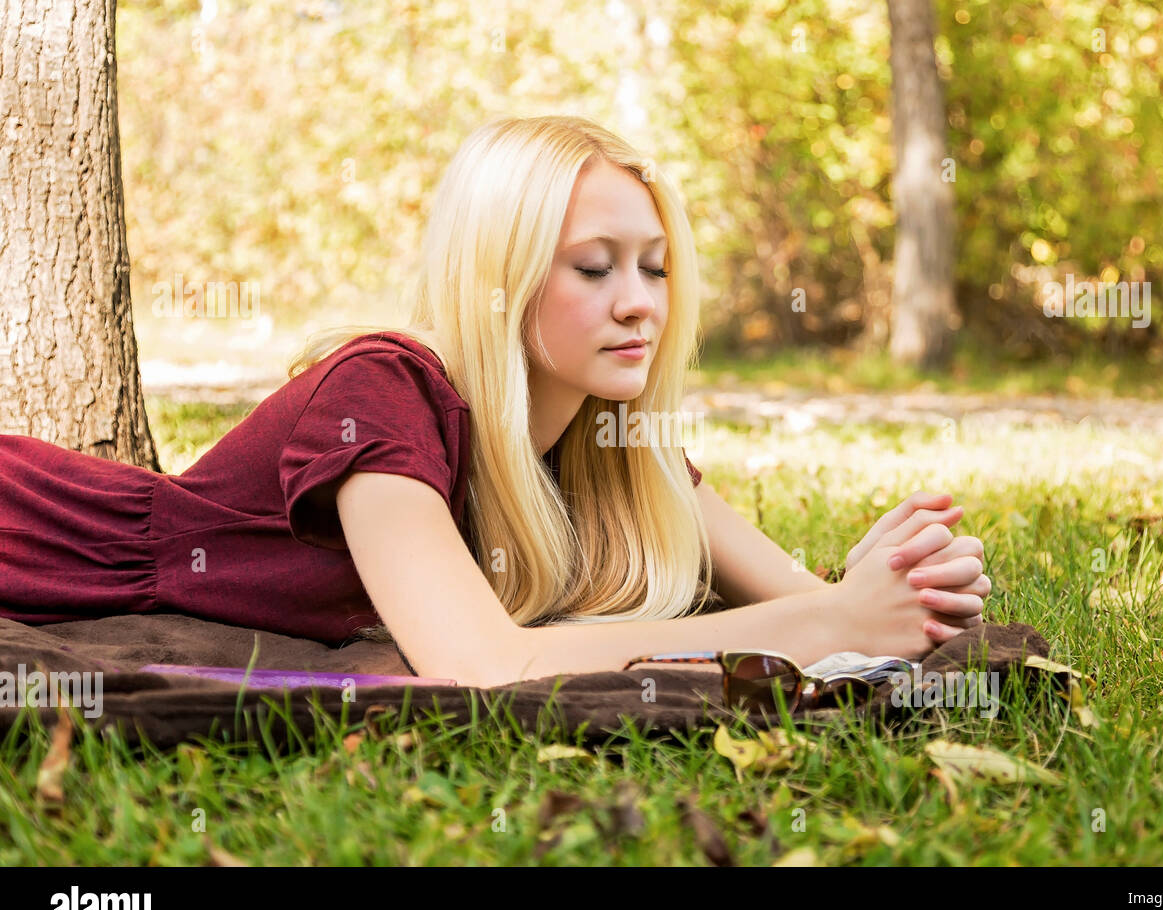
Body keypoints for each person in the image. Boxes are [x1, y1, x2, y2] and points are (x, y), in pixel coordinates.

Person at [0, 115, 990, 687]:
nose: (639, 302)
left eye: (653, 266)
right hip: (34, 527)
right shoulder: (383, 390)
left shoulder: (613, 433)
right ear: (503, 276)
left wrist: (870, 585)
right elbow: (477, 663)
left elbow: (815, 604)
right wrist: (826, 628)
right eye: (594, 268)